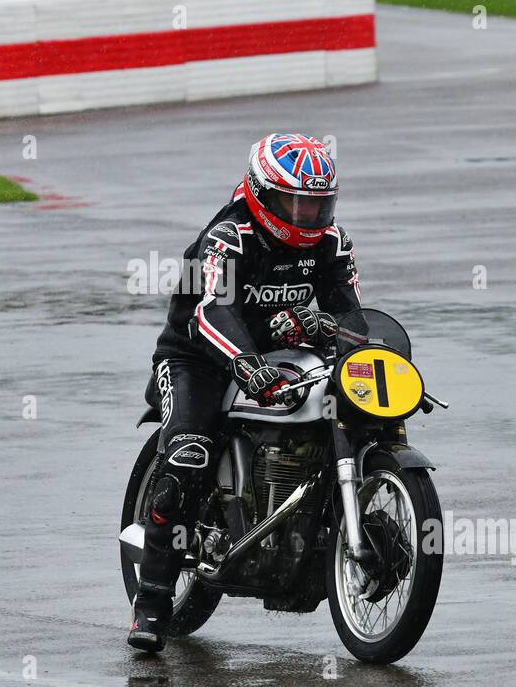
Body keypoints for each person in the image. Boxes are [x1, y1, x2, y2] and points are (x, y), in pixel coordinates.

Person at [128, 134, 362, 653]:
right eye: (295, 203)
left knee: (347, 412)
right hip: (199, 357)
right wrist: (246, 364)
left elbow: (351, 316)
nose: (307, 216)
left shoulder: (332, 243)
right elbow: (211, 310)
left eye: (317, 204)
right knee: (189, 455)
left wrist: (353, 345)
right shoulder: (228, 237)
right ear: (262, 194)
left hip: (280, 356)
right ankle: (151, 601)